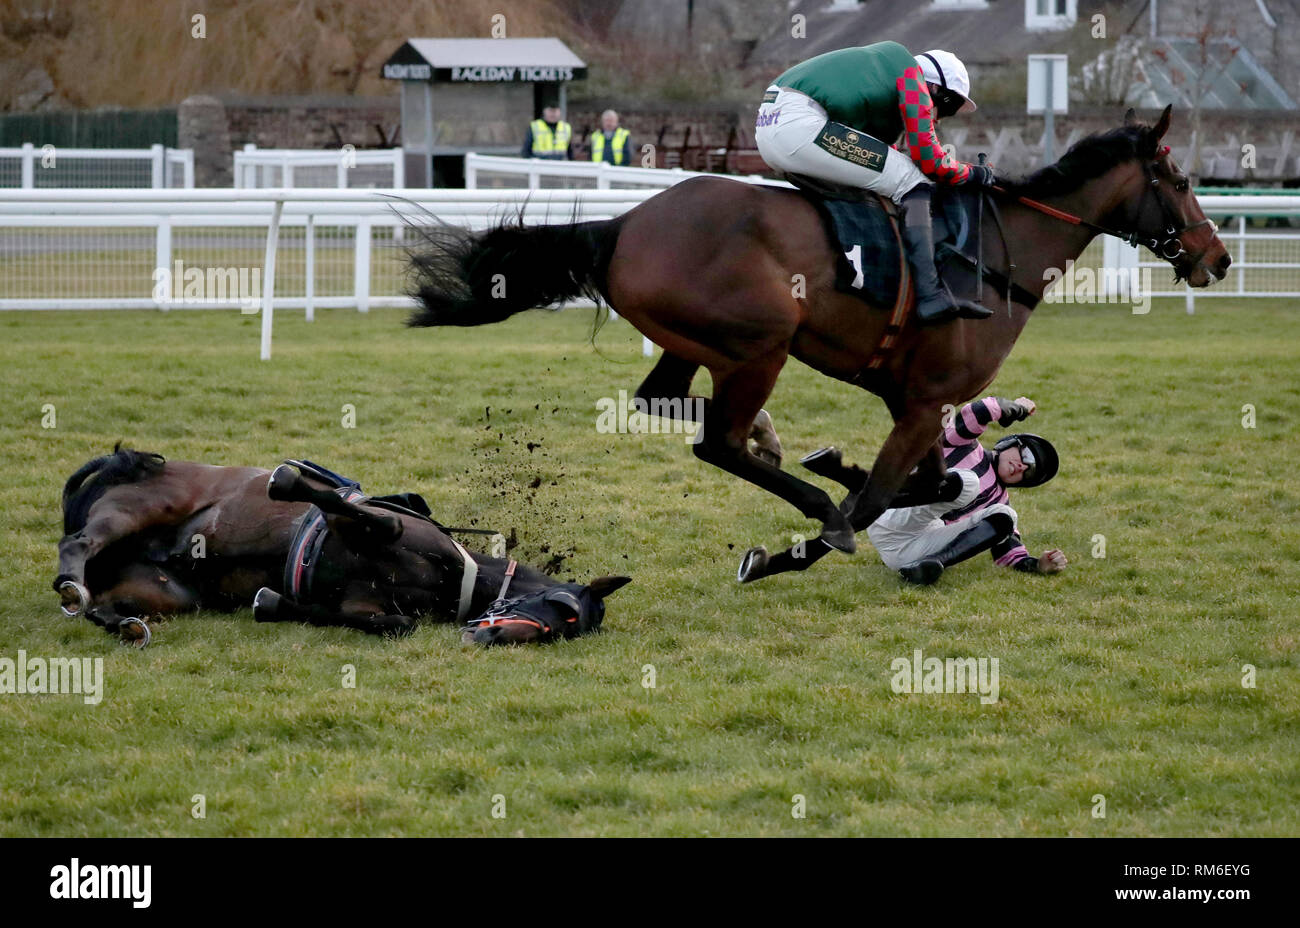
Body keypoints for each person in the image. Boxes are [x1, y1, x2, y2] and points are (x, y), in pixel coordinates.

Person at [755, 41, 995, 325]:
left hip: (771, 123)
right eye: (947, 108)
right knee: (912, 181)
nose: (940, 119)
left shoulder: (881, 77)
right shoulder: (911, 77)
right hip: (797, 124)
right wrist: (975, 174)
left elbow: (881, 153)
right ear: (935, 90)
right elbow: (930, 162)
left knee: (891, 174)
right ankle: (930, 295)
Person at [803, 396, 1066, 584]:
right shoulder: (963, 444)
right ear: (1010, 441)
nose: (1022, 465)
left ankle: (930, 566)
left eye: (1029, 471)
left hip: (907, 551)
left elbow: (1009, 552)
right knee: (968, 483)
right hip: (891, 515)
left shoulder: (999, 502)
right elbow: (978, 411)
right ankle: (870, 494)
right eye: (1026, 455)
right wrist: (1016, 408)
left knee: (1007, 517)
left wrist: (1039, 565)